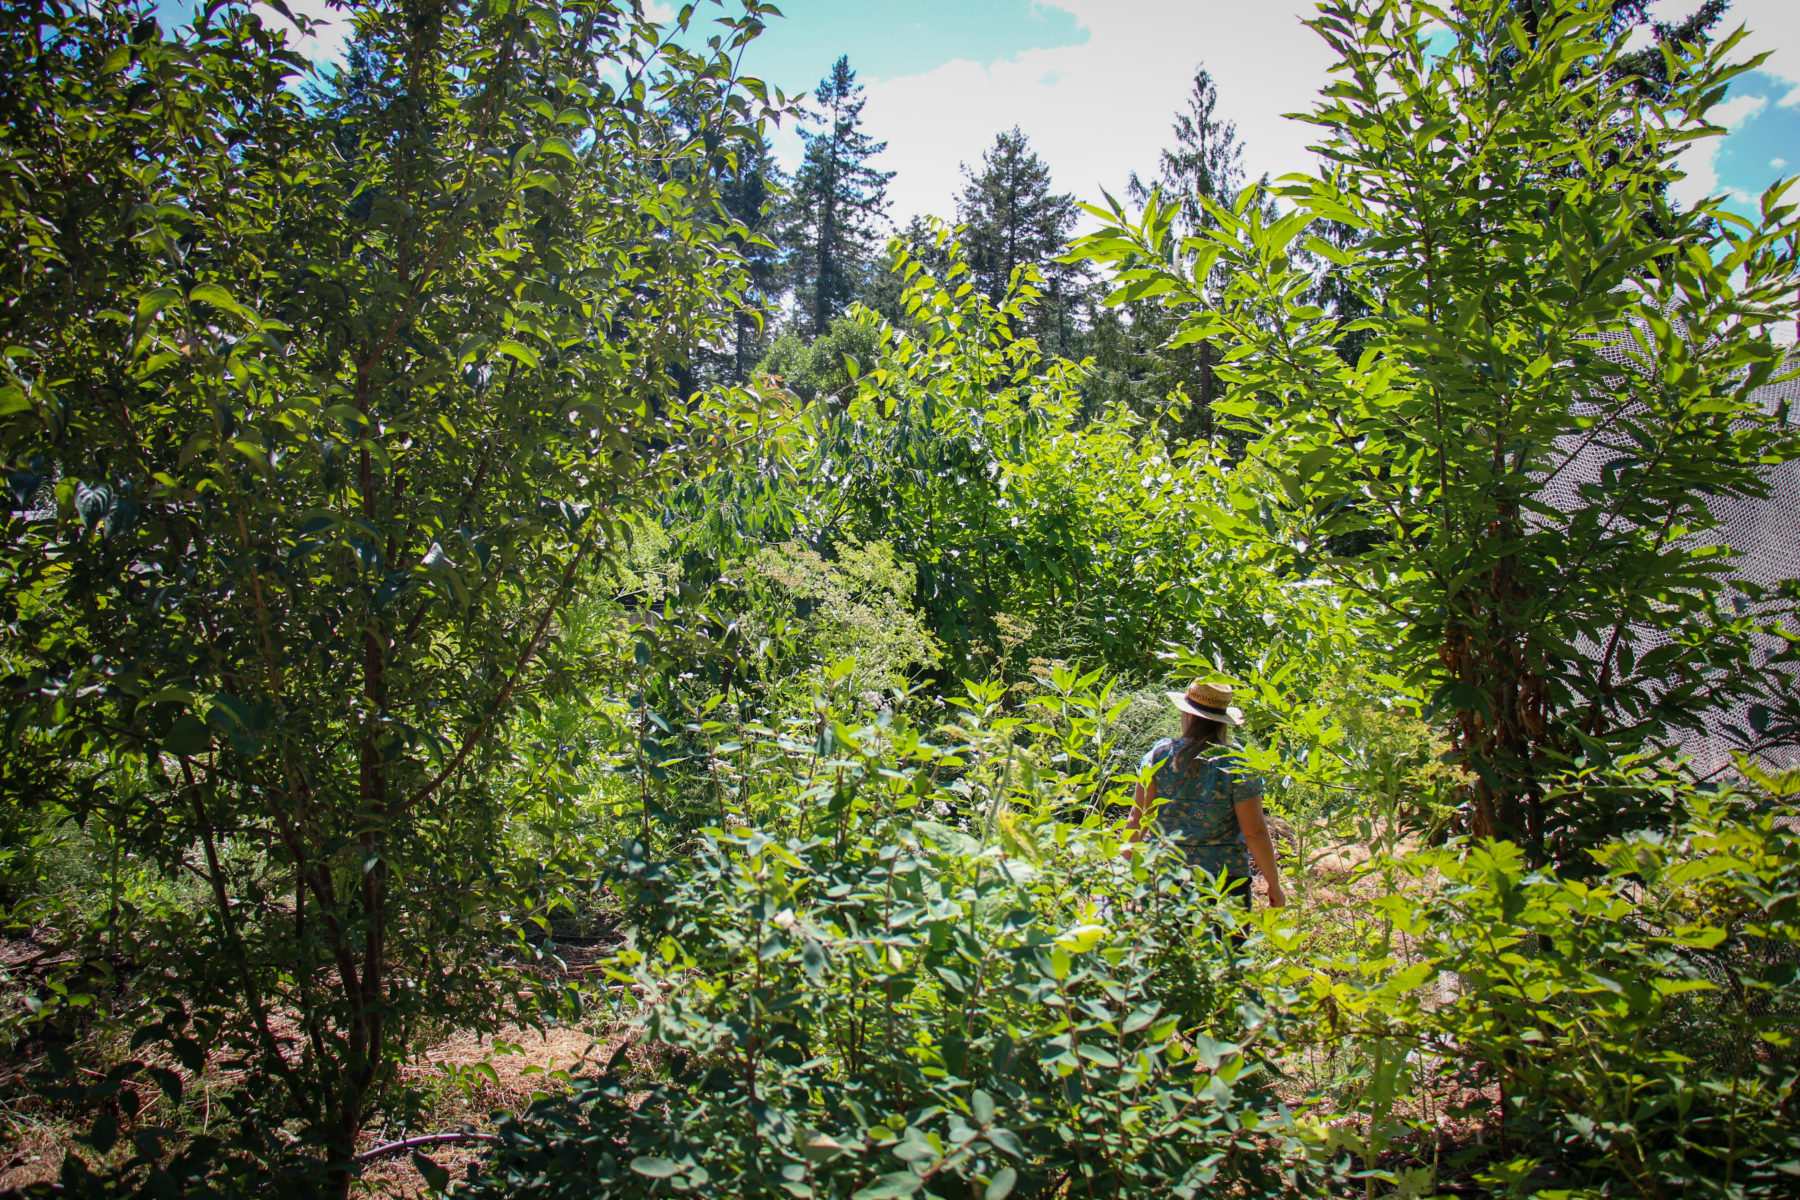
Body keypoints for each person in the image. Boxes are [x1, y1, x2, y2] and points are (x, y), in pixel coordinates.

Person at [1126, 680, 1286, 910]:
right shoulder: (1238, 764)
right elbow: (1255, 832)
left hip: (1163, 877)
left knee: (1163, 946)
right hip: (1223, 883)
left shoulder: (1159, 755)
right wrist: (1274, 885)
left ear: (1188, 715)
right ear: (1223, 723)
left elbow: (1138, 818)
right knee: (1225, 946)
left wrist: (1121, 874)